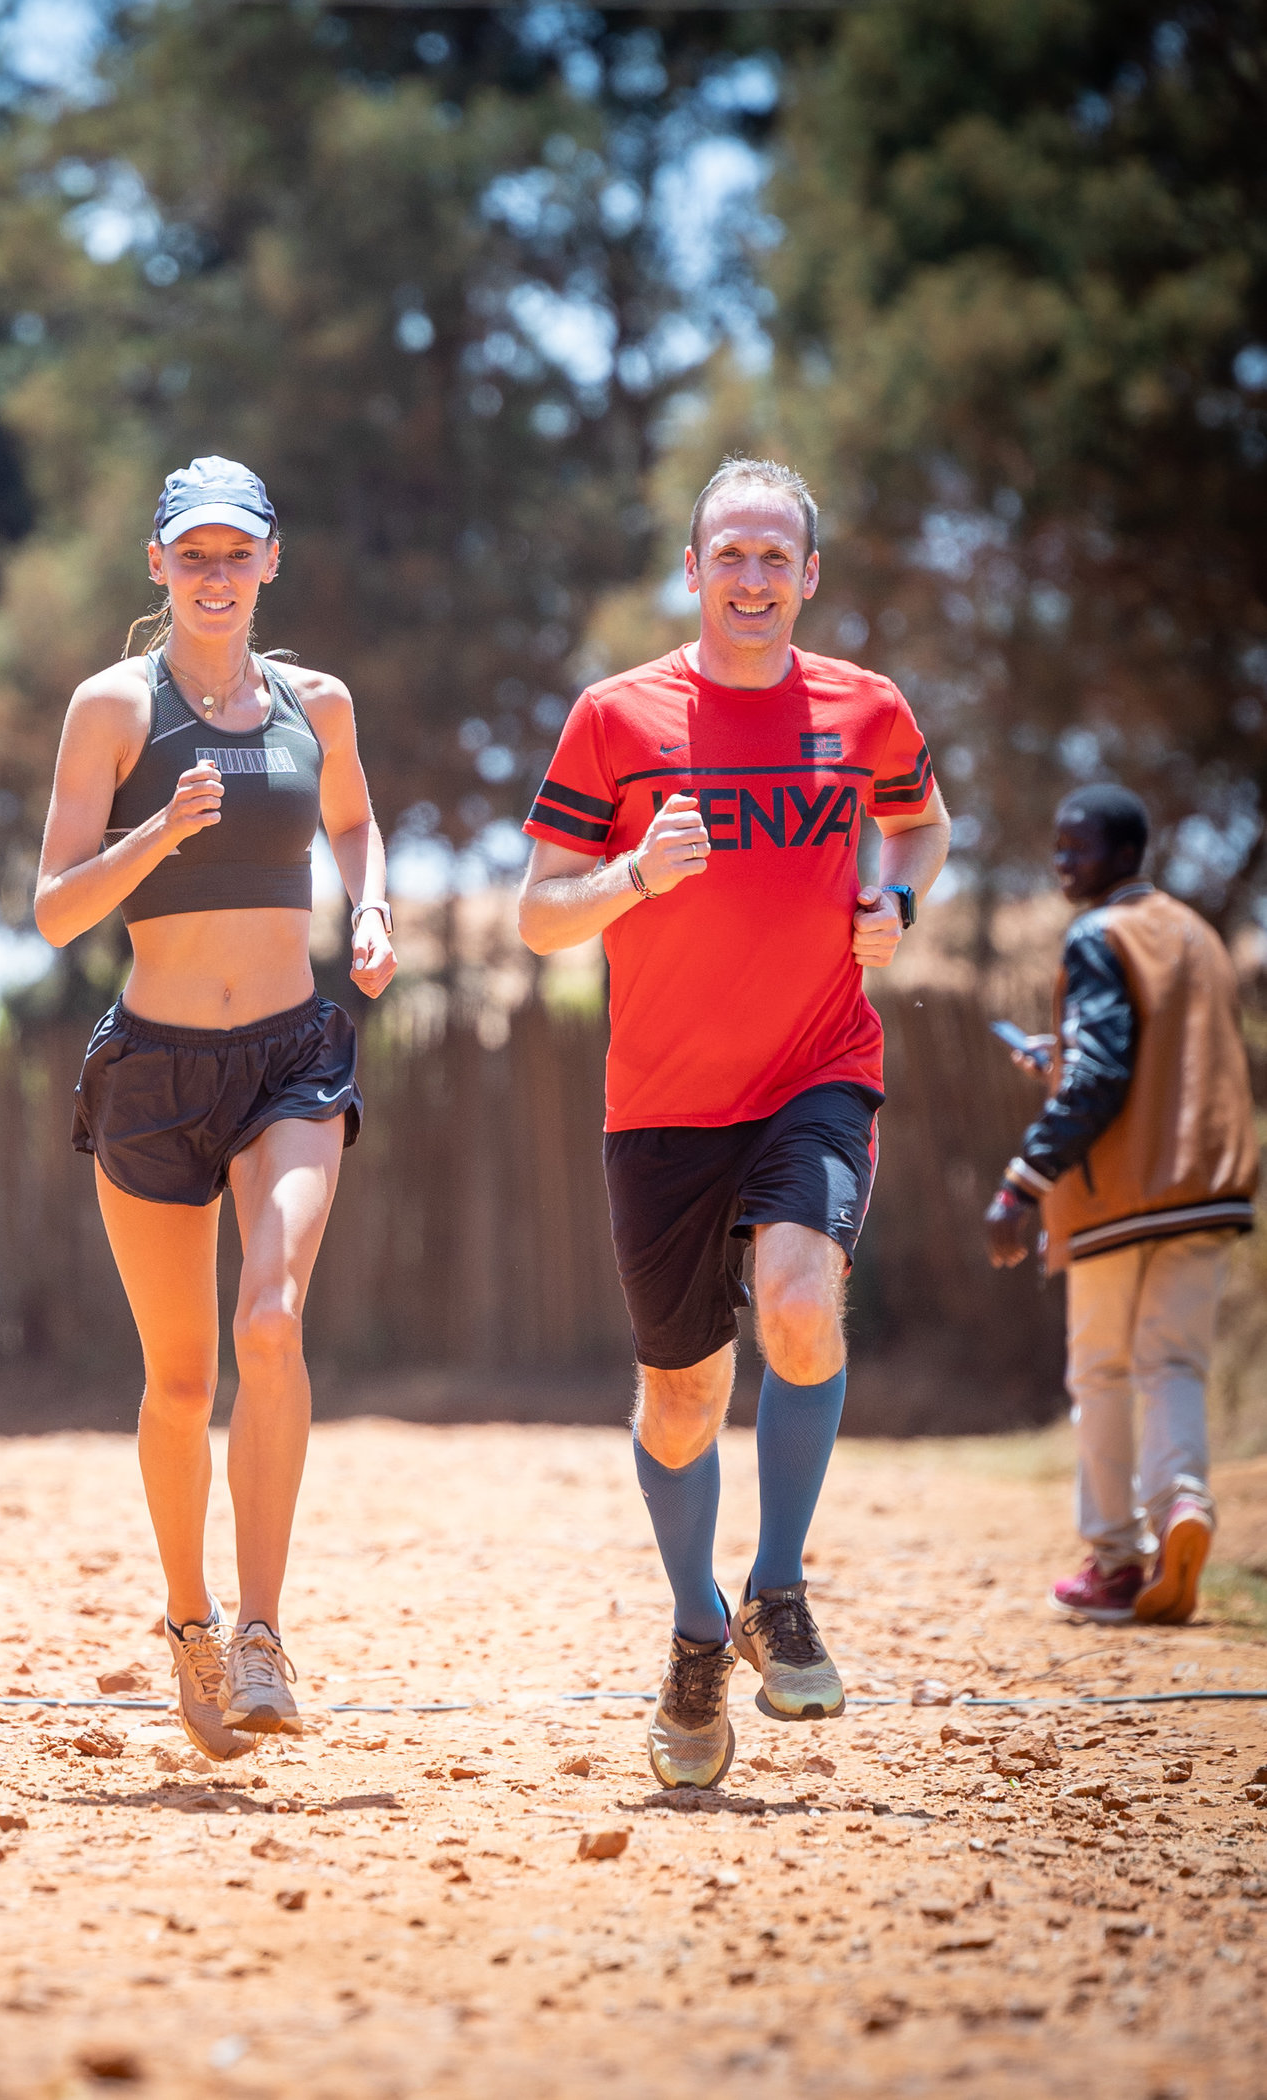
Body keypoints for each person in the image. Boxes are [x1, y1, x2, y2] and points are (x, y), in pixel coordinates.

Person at [517, 457, 951, 1789]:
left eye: (776, 558)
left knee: (801, 1300)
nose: (752, 580)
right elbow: (538, 915)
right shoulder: (615, 718)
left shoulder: (865, 708)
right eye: (730, 556)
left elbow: (922, 827)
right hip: (660, 1106)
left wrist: (898, 902)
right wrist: (636, 875)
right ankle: (699, 1629)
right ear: (694, 570)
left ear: (808, 575)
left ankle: (778, 1586)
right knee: (683, 1398)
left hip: (818, 1068)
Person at [33, 457, 397, 1760]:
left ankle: (259, 1633)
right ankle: (187, 1617)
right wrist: (158, 835)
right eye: (194, 555)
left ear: (271, 563)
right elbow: (56, 907)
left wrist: (371, 905)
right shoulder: (111, 709)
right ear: (159, 565)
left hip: (291, 1057)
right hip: (153, 1070)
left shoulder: (318, 703)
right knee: (181, 1383)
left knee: (273, 1319)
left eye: (239, 553)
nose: (217, 575)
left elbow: (355, 824)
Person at [985, 784, 1256, 1626]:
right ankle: (1183, 1504)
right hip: (1208, 1188)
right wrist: (1061, 1059)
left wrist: (1022, 1183)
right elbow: (1166, 1058)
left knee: (1102, 1372)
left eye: (1079, 848)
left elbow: (1103, 1076)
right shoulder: (1201, 936)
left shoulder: (1098, 934)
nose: (1062, 863)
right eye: (1059, 847)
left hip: (1116, 1200)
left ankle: (1114, 1561)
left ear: (1126, 854)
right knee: (1173, 1365)